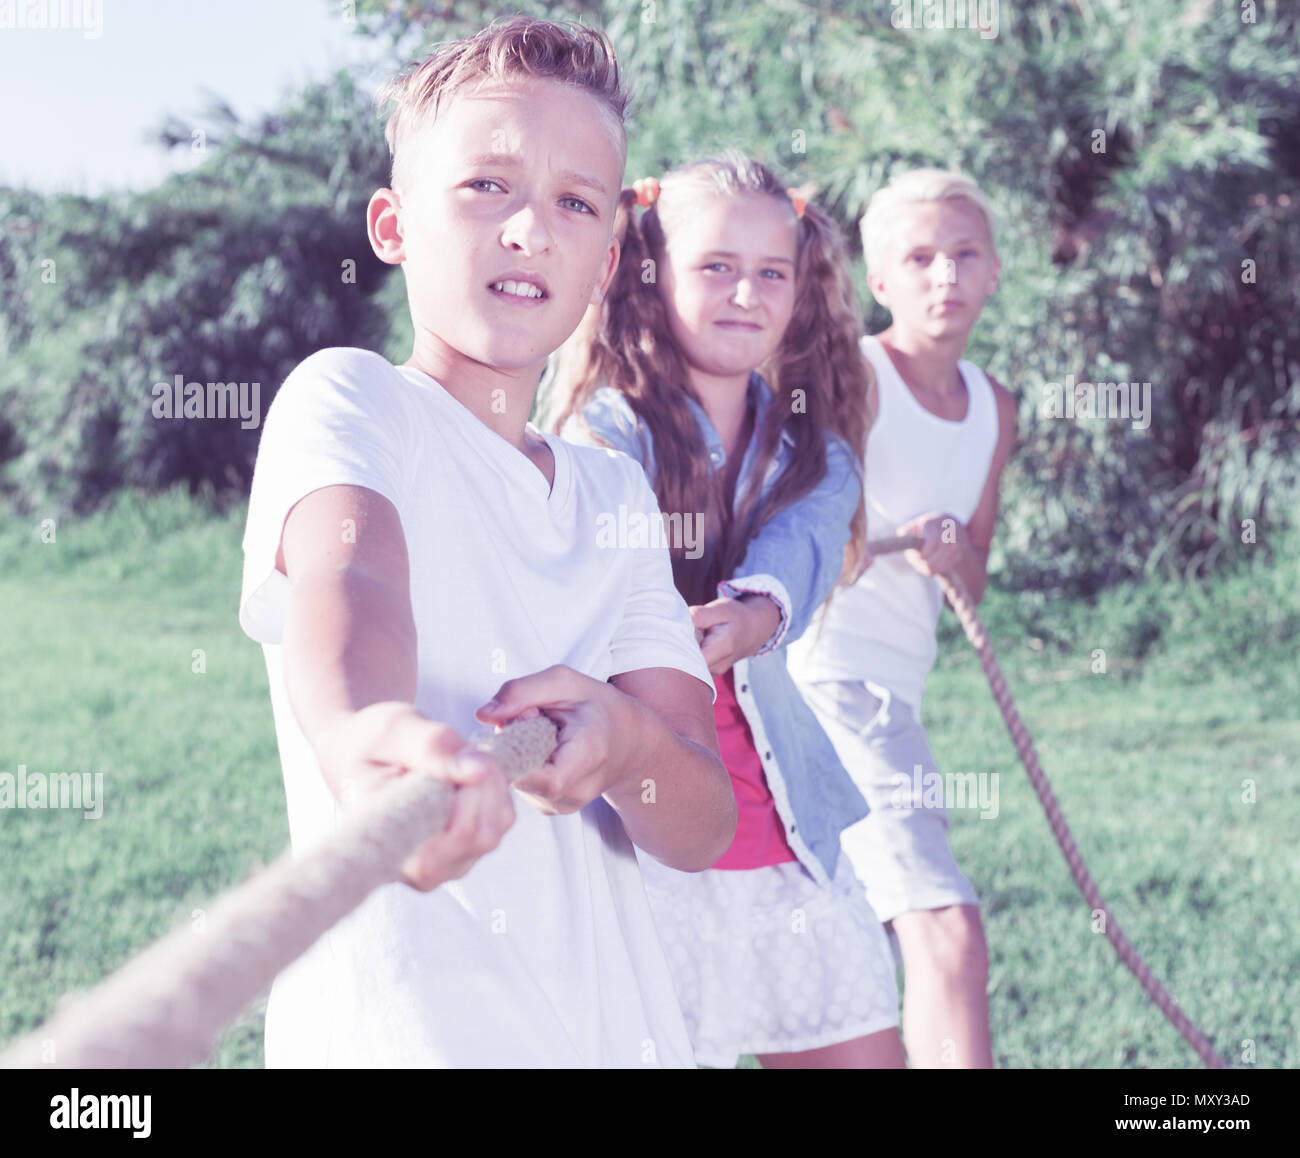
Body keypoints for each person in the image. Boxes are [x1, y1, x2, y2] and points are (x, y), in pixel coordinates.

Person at [237, 16, 736, 1068]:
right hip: (405, 1032)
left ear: (604, 261)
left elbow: (696, 827)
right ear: (393, 224)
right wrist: (361, 735)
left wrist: (630, 745)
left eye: (574, 203)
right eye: (485, 186)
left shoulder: (614, 492)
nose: (529, 230)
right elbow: (353, 568)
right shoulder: (354, 401)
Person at [550, 153, 905, 1069]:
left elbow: (805, 546)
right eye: (715, 266)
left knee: (864, 1046)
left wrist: (753, 612)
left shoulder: (814, 454)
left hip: (785, 826)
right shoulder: (604, 435)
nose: (746, 291)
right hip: (648, 834)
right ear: (651, 273)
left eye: (771, 272)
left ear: (799, 291)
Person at [788, 168, 1018, 1068]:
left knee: (842, 936)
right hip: (826, 677)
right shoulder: (853, 375)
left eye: (964, 255)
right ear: (879, 281)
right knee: (945, 928)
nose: (944, 277)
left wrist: (954, 549)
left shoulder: (993, 408)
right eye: (918, 258)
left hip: (894, 690)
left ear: (995, 271)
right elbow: (790, 508)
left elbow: (978, 573)